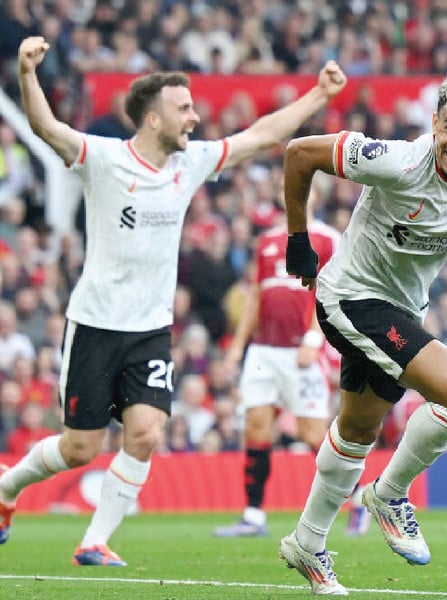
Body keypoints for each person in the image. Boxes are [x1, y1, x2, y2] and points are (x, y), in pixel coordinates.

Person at [0, 35, 346, 566]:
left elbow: (259, 136)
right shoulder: (104, 158)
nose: (194, 117)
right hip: (94, 324)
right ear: (153, 120)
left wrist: (317, 96)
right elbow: (47, 128)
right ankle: (7, 489)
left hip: (151, 329)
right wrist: (27, 73)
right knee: (79, 449)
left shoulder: (193, 163)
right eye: (182, 108)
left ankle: (94, 540)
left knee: (145, 433)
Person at [278, 69, 447, 595]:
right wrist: (298, 241)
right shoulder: (397, 160)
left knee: (357, 432)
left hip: (401, 309)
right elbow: (299, 153)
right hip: (350, 297)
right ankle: (391, 492)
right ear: (435, 123)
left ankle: (307, 543)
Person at [213, 191, 340, 538]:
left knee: (311, 433)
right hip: (263, 351)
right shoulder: (268, 240)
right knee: (256, 427)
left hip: (301, 350)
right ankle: (253, 515)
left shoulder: (329, 239)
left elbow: (333, 291)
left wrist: (315, 339)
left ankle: (358, 499)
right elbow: (257, 294)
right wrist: (238, 346)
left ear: (315, 195)